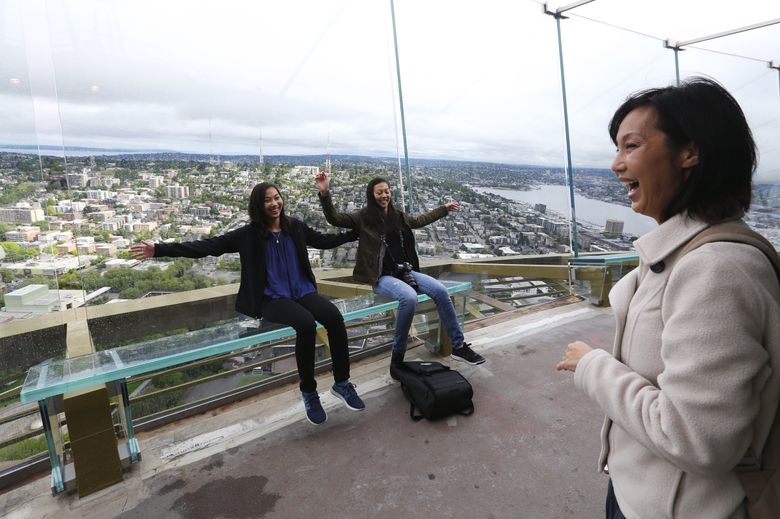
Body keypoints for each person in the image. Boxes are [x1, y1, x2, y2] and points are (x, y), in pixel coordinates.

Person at [556, 77, 780, 518]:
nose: (617, 165)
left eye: (631, 146)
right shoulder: (686, 252)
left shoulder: (715, 268)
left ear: (689, 152)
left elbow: (696, 439)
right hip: (645, 493)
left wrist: (592, 366)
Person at [130, 182, 365, 426]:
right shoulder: (248, 235)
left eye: (277, 198)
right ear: (258, 206)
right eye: (267, 200)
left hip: (302, 291)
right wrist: (159, 249)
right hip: (271, 298)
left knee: (334, 318)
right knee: (305, 324)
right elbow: (207, 246)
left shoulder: (294, 226)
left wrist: (356, 233)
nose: (274, 204)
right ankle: (309, 392)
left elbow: (323, 241)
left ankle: (342, 383)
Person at [316, 172, 485, 377]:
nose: (384, 195)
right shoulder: (362, 217)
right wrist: (324, 192)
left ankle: (458, 346)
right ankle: (398, 356)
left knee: (441, 291)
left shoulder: (398, 216)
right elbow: (334, 218)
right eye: (379, 192)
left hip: (405, 271)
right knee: (409, 297)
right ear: (371, 195)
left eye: (387, 191)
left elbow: (420, 220)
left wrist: (443, 210)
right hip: (381, 277)